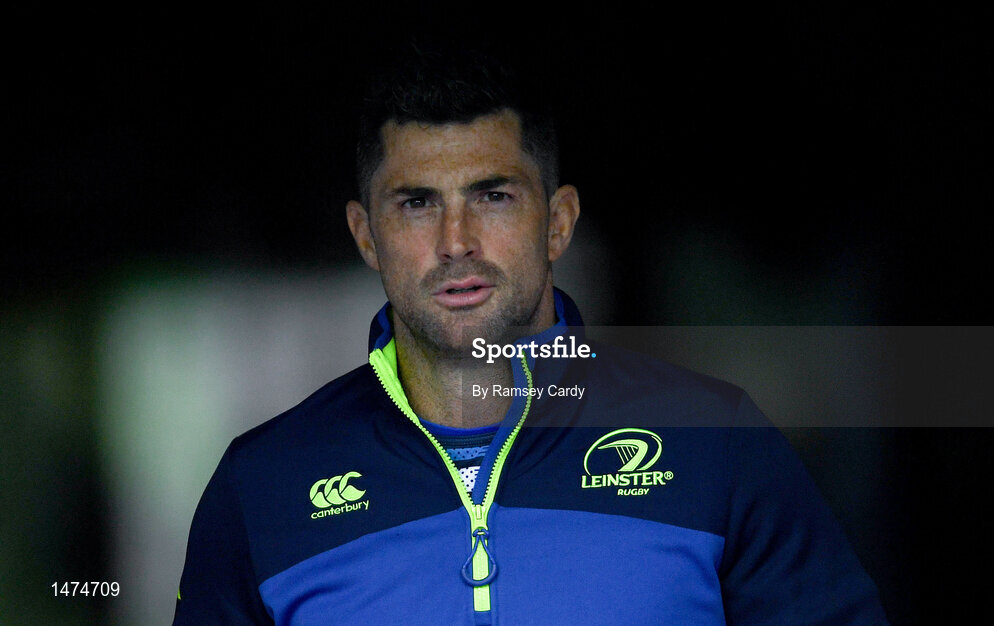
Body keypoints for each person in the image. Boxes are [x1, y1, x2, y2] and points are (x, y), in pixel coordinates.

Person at [173, 47, 888, 624]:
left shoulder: (714, 441)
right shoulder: (261, 486)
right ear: (367, 235)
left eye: (494, 195)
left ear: (558, 221)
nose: (457, 241)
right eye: (417, 204)